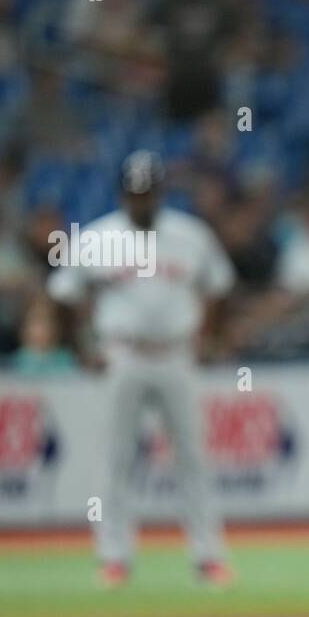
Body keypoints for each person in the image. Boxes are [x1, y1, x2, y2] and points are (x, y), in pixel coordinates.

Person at [47, 150, 234, 587]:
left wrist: (215, 339)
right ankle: (115, 558)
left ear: (162, 192)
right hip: (123, 353)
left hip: (176, 353)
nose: (142, 200)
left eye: (149, 192)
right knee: (115, 460)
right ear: (122, 194)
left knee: (193, 458)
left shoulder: (190, 236)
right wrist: (80, 349)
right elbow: (62, 293)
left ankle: (208, 557)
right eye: (135, 193)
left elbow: (221, 286)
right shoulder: (96, 237)